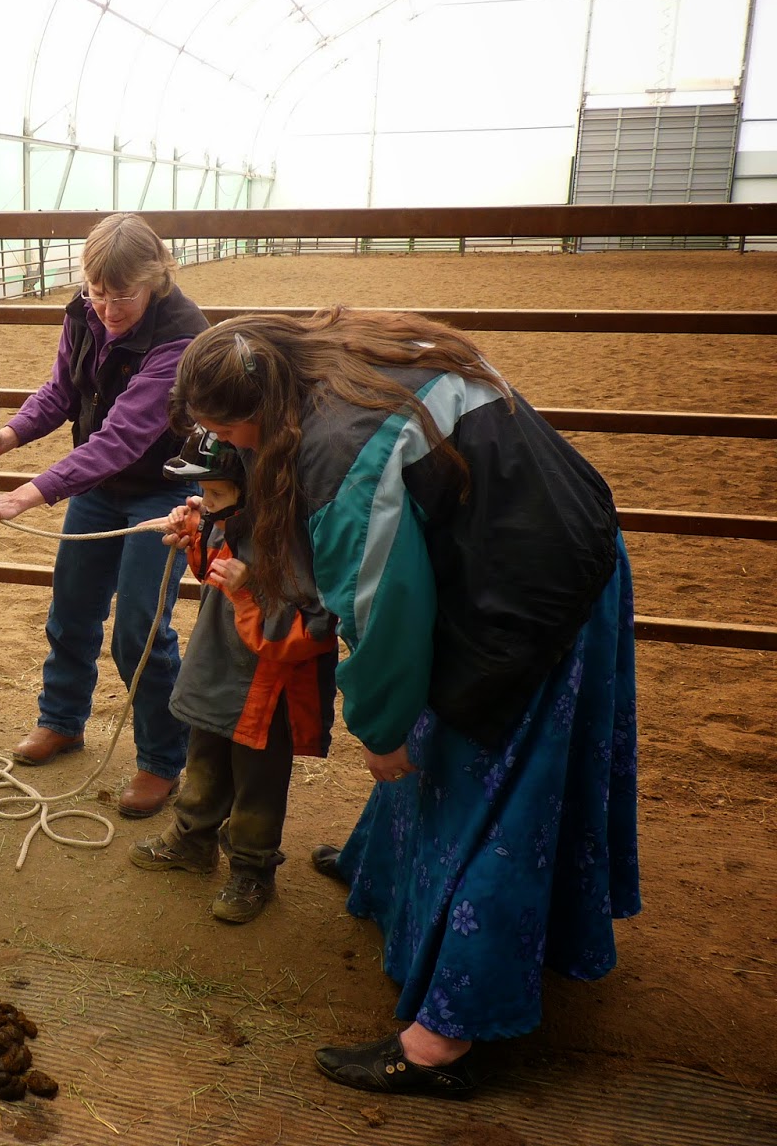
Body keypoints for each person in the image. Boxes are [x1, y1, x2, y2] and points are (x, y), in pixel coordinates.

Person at [169, 307, 639, 1097]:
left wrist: (377, 730)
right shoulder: (333, 356)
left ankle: (441, 1043)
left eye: (229, 432)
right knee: (439, 733)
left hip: (532, 590)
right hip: (519, 548)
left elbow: (379, 607)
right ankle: (383, 879)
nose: (237, 451)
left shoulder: (338, 448)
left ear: (255, 411)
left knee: (498, 791)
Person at [0, 213, 209, 817]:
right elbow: (60, 391)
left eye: (123, 295)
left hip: (162, 490)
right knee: (72, 606)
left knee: (141, 628)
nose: (108, 308)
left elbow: (121, 438)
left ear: (156, 279)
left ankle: (161, 760)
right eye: (96, 292)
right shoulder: (82, 314)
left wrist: (24, 495)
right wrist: (3, 438)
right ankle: (61, 718)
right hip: (97, 483)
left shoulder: (181, 337)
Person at [128, 429, 337, 923]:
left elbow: (311, 630)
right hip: (218, 667)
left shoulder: (292, 539)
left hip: (267, 690)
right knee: (204, 755)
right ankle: (193, 838)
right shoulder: (231, 517)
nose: (207, 501)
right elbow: (212, 573)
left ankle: (252, 867)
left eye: (216, 493)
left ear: (255, 487)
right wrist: (195, 539)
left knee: (257, 783)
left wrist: (249, 592)